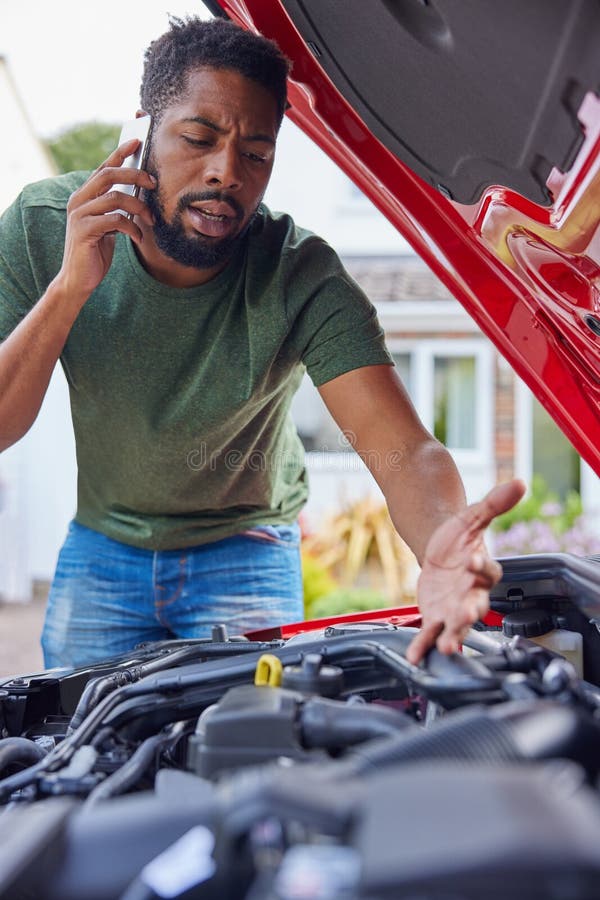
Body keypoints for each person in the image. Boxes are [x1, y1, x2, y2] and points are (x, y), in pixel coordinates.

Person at [0, 17, 524, 669]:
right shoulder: (44, 227)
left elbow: (401, 448)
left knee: (255, 751)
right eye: (199, 137)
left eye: (257, 152)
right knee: (78, 752)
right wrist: (70, 289)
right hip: (103, 548)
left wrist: (443, 540)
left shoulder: (299, 271)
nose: (227, 173)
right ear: (141, 132)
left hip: (246, 549)